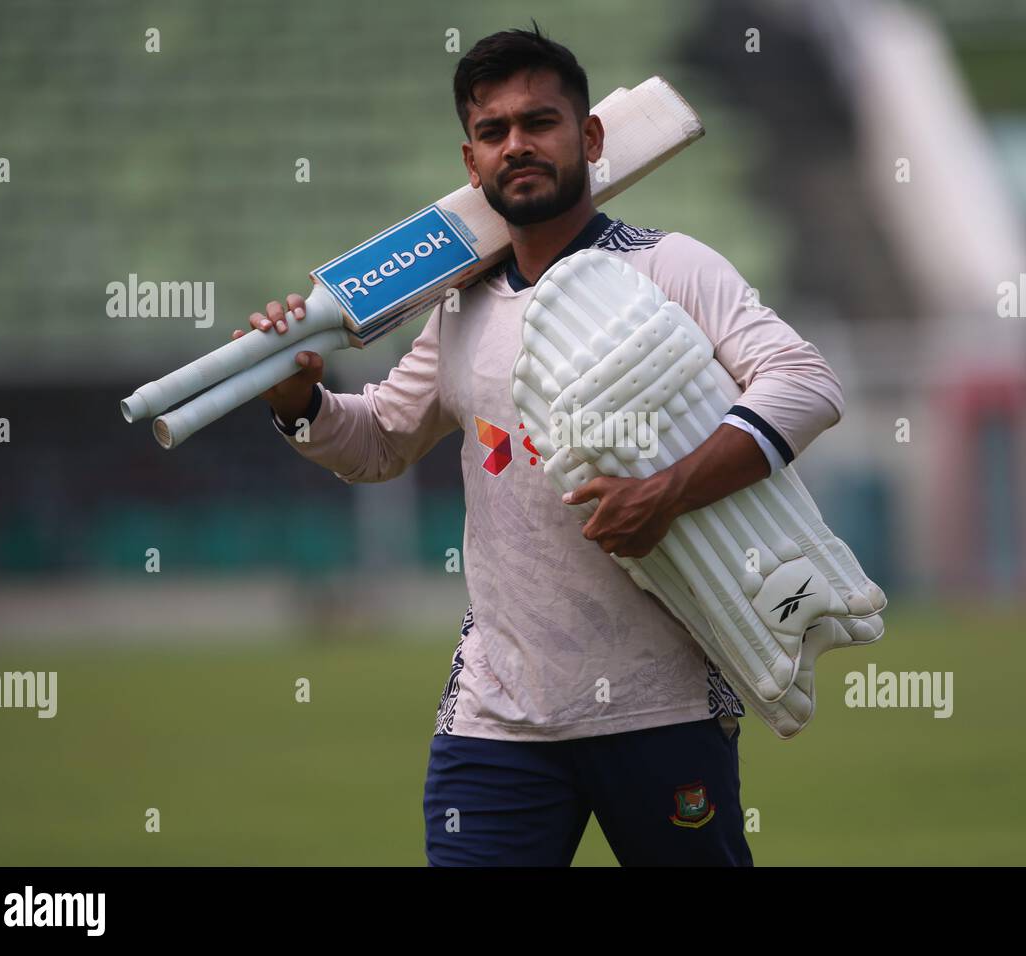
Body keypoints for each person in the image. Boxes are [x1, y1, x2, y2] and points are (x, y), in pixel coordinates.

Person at [234, 24, 844, 866]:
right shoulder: (460, 308)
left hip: (662, 707)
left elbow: (805, 383)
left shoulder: (670, 266)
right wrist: (298, 400)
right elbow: (377, 441)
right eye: (494, 132)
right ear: (470, 161)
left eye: (540, 122)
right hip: (498, 720)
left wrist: (668, 489)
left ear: (590, 138)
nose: (517, 145)